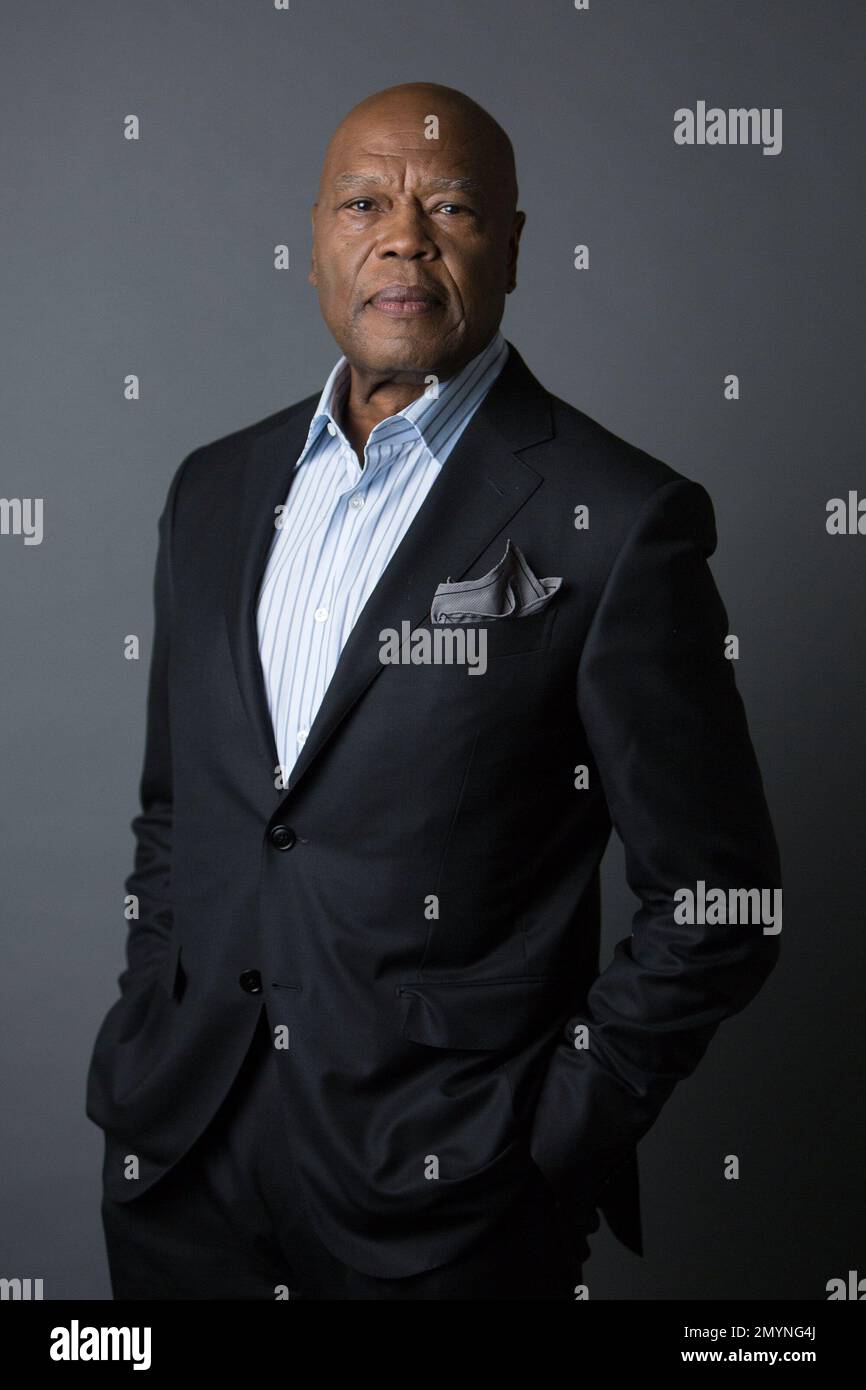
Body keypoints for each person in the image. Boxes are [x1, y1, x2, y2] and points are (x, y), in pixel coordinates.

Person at [86, 81, 782, 1300]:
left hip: (445, 1200)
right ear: (314, 242)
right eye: (364, 203)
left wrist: (548, 1131)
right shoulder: (212, 490)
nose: (401, 234)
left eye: (447, 205)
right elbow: (178, 816)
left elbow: (721, 897)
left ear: (509, 244)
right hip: (185, 1157)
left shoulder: (615, 522)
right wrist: (152, 1015)